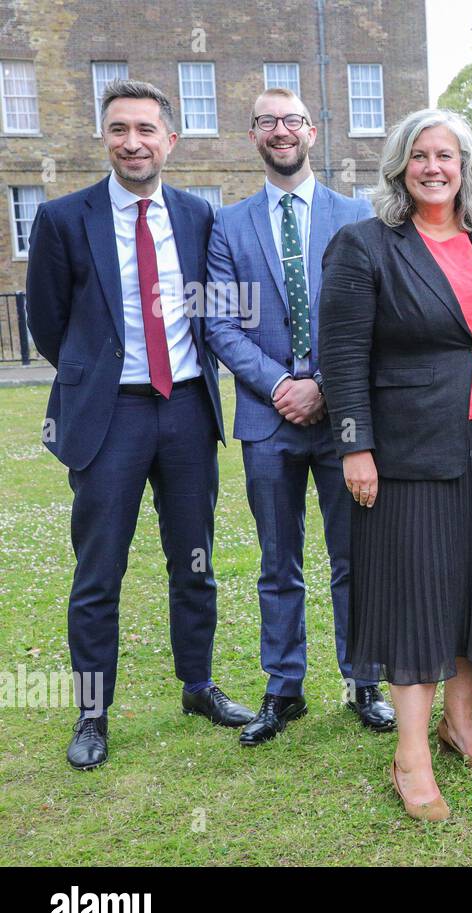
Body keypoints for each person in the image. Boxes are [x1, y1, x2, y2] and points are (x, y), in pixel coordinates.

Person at [25, 80, 254, 769]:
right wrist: (97, 377)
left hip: (186, 407)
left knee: (196, 561)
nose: (133, 142)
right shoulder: (65, 219)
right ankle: (93, 714)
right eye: (120, 129)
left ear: (169, 140)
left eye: (147, 130)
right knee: (99, 572)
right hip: (109, 417)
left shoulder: (196, 216)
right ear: (104, 137)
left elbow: (213, 308)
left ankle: (199, 684)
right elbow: (47, 323)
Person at [318, 108, 472, 821]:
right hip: (407, 450)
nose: (434, 167)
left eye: (447, 155)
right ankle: (410, 752)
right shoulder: (364, 245)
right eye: (421, 156)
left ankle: (459, 722)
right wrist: (355, 444)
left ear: (468, 167)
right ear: (400, 167)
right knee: (420, 594)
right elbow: (344, 354)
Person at [205, 88, 393, 745]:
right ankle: (284, 689)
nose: (280, 131)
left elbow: (374, 313)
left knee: (354, 557)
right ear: (252, 133)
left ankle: (363, 681)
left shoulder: (357, 214)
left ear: (312, 130)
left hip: (345, 417)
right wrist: (283, 383)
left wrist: (323, 385)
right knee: (277, 562)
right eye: (266, 121)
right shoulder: (227, 225)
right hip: (267, 419)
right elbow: (220, 323)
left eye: (290, 120)